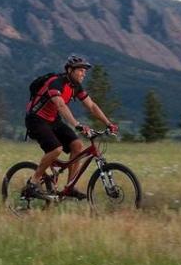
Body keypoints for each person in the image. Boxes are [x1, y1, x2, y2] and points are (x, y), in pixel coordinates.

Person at [23, 55, 118, 201]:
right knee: (56, 149)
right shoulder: (56, 83)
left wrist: (108, 123)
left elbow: (91, 106)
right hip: (36, 119)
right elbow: (60, 105)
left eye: (84, 71)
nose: (83, 73)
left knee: (77, 145)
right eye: (80, 70)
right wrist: (77, 125)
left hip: (53, 120)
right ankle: (33, 182)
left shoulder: (76, 87)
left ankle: (70, 187)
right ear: (69, 70)